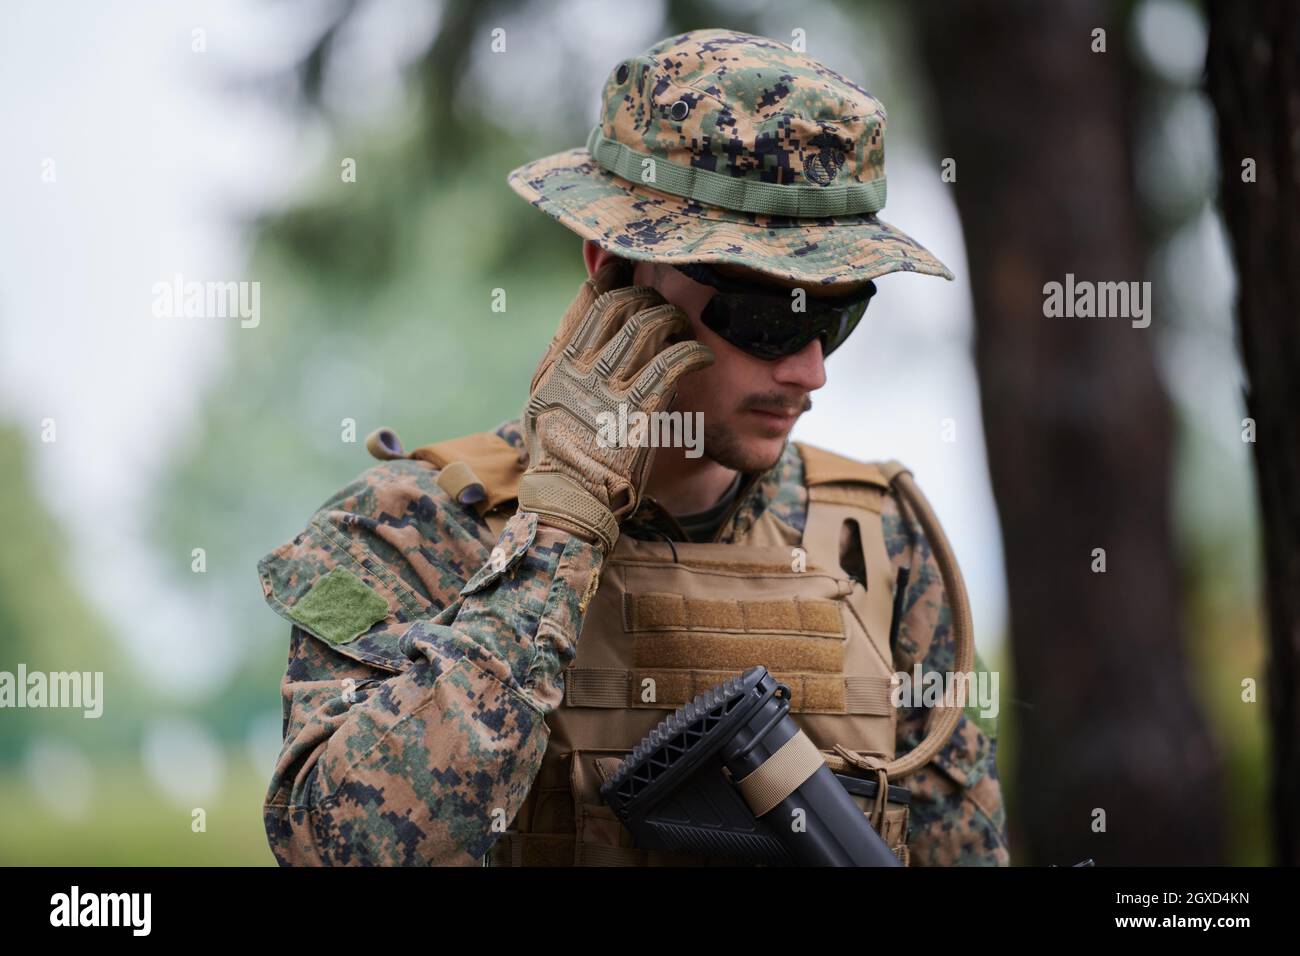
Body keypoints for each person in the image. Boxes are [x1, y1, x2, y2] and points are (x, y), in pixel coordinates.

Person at [257, 28, 1009, 867]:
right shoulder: (401, 533)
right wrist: (558, 531)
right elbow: (343, 850)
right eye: (769, 315)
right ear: (617, 269)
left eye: (836, 318)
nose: (808, 370)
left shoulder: (883, 543)